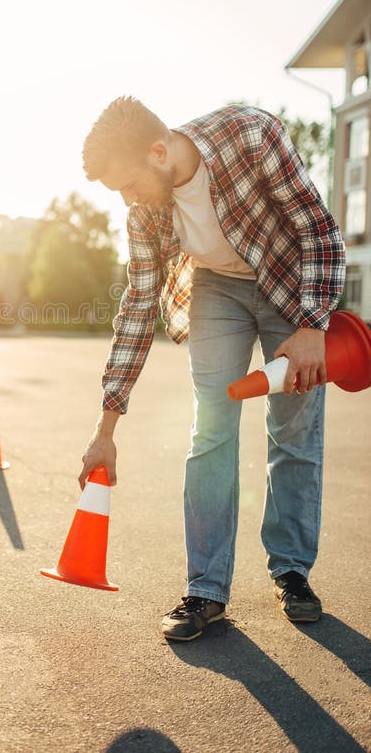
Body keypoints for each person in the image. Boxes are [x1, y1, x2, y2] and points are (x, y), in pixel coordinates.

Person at [80, 97, 346, 642]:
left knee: (293, 431)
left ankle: (291, 571)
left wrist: (314, 325)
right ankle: (206, 588)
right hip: (215, 289)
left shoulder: (250, 136)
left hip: (287, 280)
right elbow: (137, 305)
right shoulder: (143, 213)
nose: (128, 201)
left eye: (129, 185)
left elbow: (318, 229)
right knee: (210, 430)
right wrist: (106, 428)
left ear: (159, 151)